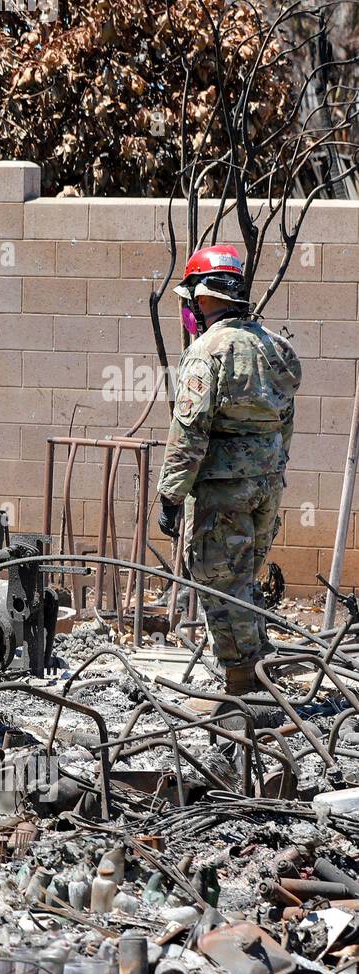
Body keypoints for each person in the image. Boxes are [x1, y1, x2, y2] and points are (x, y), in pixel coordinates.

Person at [156, 245, 300, 696]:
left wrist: (170, 495)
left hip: (224, 494)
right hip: (266, 489)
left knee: (220, 585)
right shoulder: (275, 348)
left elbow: (189, 432)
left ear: (201, 298)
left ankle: (244, 695)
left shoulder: (206, 352)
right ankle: (258, 675)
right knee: (242, 584)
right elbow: (286, 425)